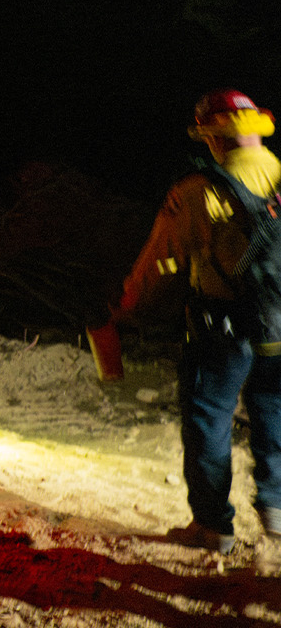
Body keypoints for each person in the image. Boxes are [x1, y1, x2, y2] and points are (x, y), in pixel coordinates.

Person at [115, 89, 281, 555]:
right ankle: (276, 510)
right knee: (276, 414)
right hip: (280, 328)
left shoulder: (196, 192)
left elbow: (159, 265)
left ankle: (213, 528)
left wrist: (127, 309)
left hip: (221, 331)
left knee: (209, 420)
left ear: (211, 137)